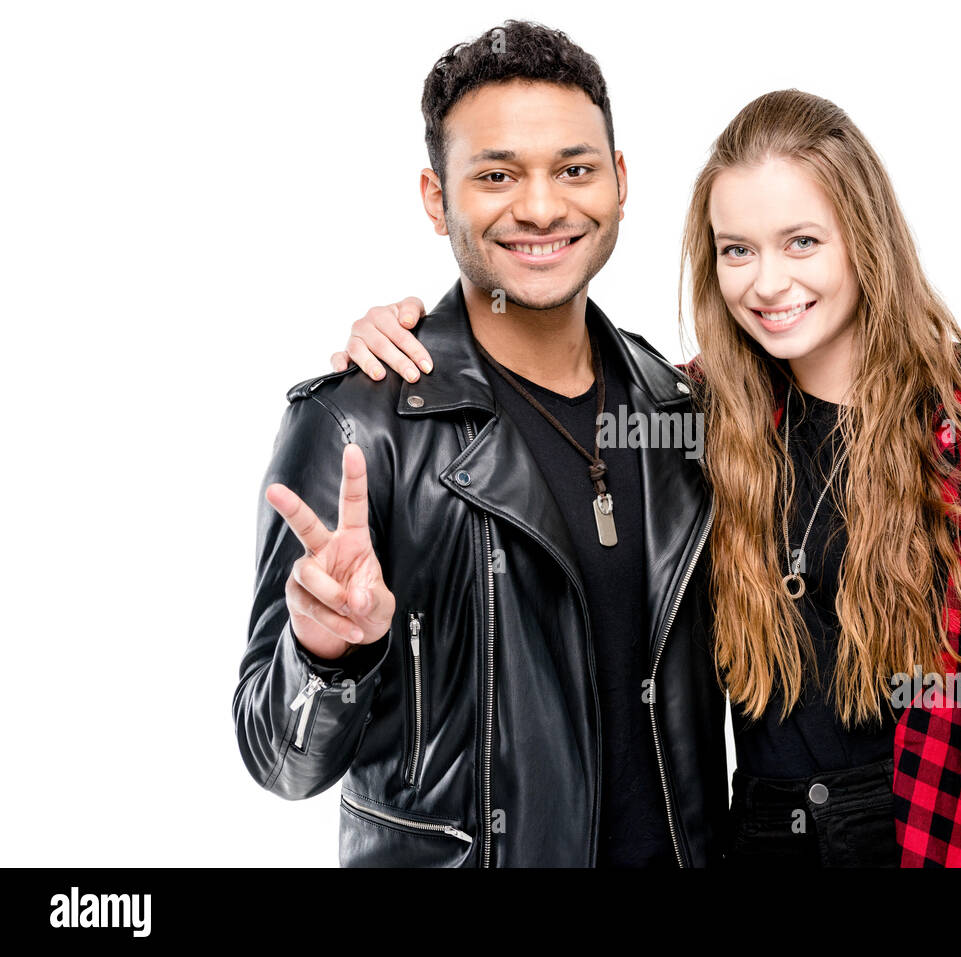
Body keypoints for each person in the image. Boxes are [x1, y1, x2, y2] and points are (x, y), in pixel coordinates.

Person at [338, 85, 961, 866]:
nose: (767, 283)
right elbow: (544, 402)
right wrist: (407, 350)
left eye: (802, 241)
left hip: (939, 831)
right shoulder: (691, 418)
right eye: (737, 250)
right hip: (761, 839)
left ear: (865, 239)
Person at [234, 20, 729, 867]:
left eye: (574, 169)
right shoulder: (359, 425)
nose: (541, 208)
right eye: (496, 175)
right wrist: (325, 652)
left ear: (619, 181)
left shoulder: (682, 404)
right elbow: (280, 760)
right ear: (437, 198)